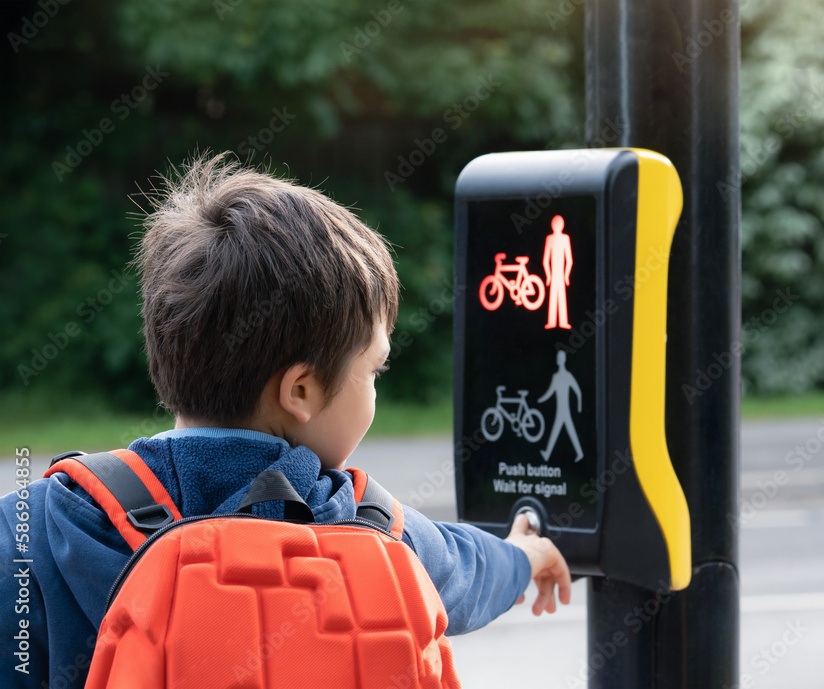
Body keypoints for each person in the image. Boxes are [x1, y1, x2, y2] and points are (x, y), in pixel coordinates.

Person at [0, 154, 571, 689]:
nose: (375, 388)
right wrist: (524, 557)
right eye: (374, 370)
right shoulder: (372, 528)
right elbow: (469, 571)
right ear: (301, 390)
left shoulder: (47, 526)